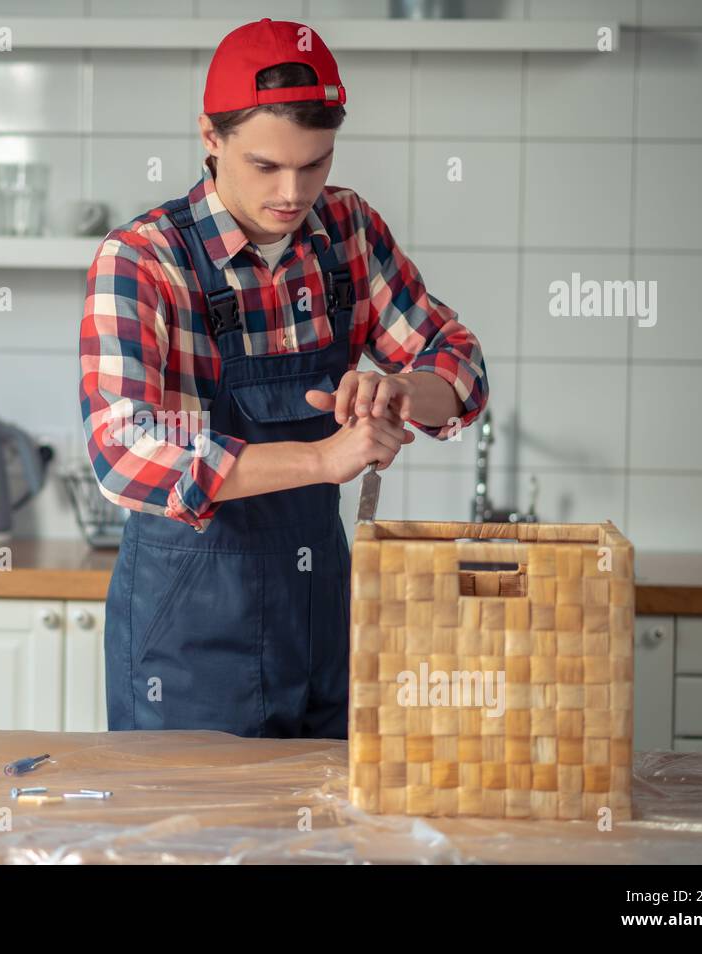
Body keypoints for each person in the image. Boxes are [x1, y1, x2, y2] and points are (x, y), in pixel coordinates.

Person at [78, 18, 488, 739]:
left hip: (319, 617)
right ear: (211, 135)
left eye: (315, 163)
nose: (293, 193)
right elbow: (124, 455)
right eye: (266, 166)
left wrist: (400, 390)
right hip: (187, 640)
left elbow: (458, 363)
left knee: (329, 843)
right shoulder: (142, 260)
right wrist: (324, 459)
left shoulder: (347, 231)